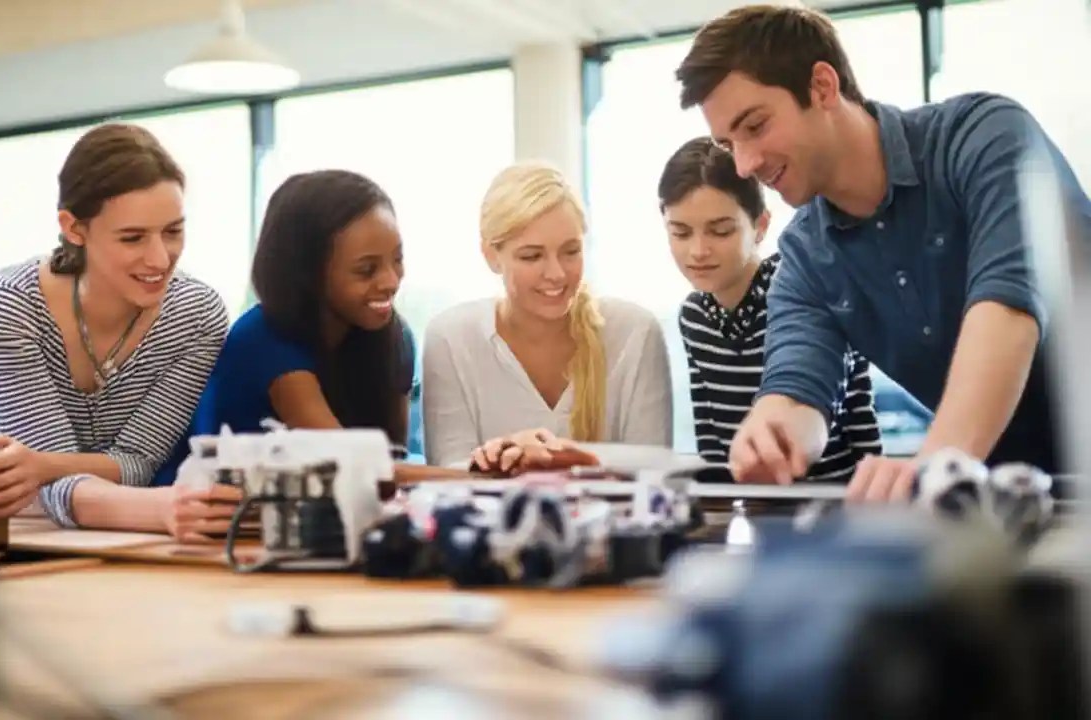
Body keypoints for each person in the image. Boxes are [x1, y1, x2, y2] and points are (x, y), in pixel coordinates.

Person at [675, 5, 1091, 501]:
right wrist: (774, 430)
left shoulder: (984, 138)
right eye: (728, 144)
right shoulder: (805, 257)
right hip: (1024, 497)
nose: (744, 165)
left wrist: (933, 464)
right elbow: (798, 388)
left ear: (822, 87)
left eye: (756, 126)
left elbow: (1007, 310)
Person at [0, 123, 239, 541]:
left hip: (121, 524)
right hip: (12, 524)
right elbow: (47, 485)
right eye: (132, 238)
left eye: (173, 232)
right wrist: (158, 508)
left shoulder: (195, 315)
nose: (160, 259)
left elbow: (139, 461)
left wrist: (43, 466)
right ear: (74, 228)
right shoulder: (7, 304)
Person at [154, 169, 453, 486]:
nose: (391, 281)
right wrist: (479, 479)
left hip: (317, 507)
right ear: (307, 273)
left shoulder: (394, 338)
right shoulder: (262, 338)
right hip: (204, 506)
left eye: (397, 260)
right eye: (366, 270)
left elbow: (392, 459)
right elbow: (349, 464)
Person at [422, 161, 672, 469]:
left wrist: (556, 458)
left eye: (571, 251)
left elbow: (656, 471)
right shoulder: (451, 339)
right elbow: (446, 476)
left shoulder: (636, 333)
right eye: (532, 256)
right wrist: (515, 459)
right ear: (491, 256)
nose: (556, 274)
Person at [660, 136, 882, 481]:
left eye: (721, 231)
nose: (698, 251)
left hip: (831, 497)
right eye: (681, 233)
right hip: (750, 502)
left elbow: (858, 412)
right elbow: (711, 440)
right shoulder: (694, 317)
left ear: (760, 226)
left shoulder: (802, 290)